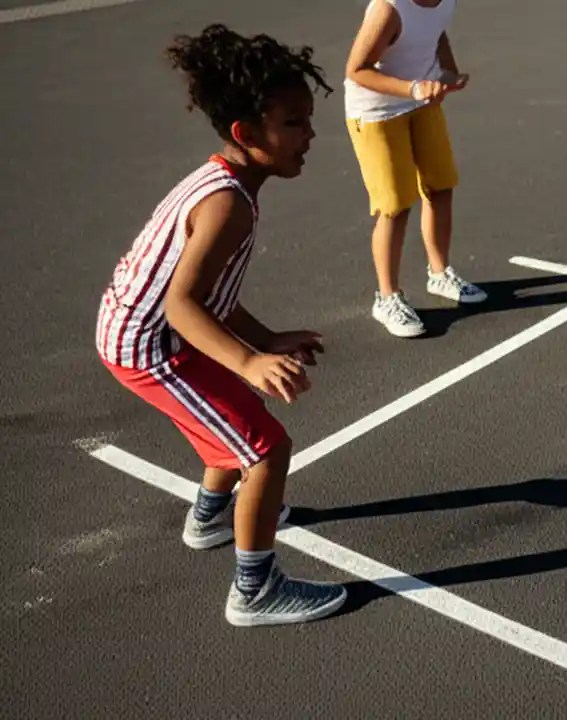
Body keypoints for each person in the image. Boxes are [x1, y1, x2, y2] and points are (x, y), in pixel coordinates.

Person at [95, 24, 347, 627]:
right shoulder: (227, 203)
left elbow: (208, 295)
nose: (310, 134)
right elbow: (183, 304)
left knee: (233, 420)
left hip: (153, 331)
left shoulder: (229, 184)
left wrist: (264, 339)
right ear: (246, 133)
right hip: (149, 345)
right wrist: (250, 362)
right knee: (265, 450)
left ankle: (210, 517)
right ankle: (254, 592)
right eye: (294, 122)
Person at [345, 0, 486, 339]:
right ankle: (387, 296)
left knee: (440, 186)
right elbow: (357, 69)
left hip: (421, 103)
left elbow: (436, 33)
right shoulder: (388, 9)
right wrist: (414, 87)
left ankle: (439, 273)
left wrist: (447, 72)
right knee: (394, 206)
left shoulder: (444, 2)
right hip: (378, 113)